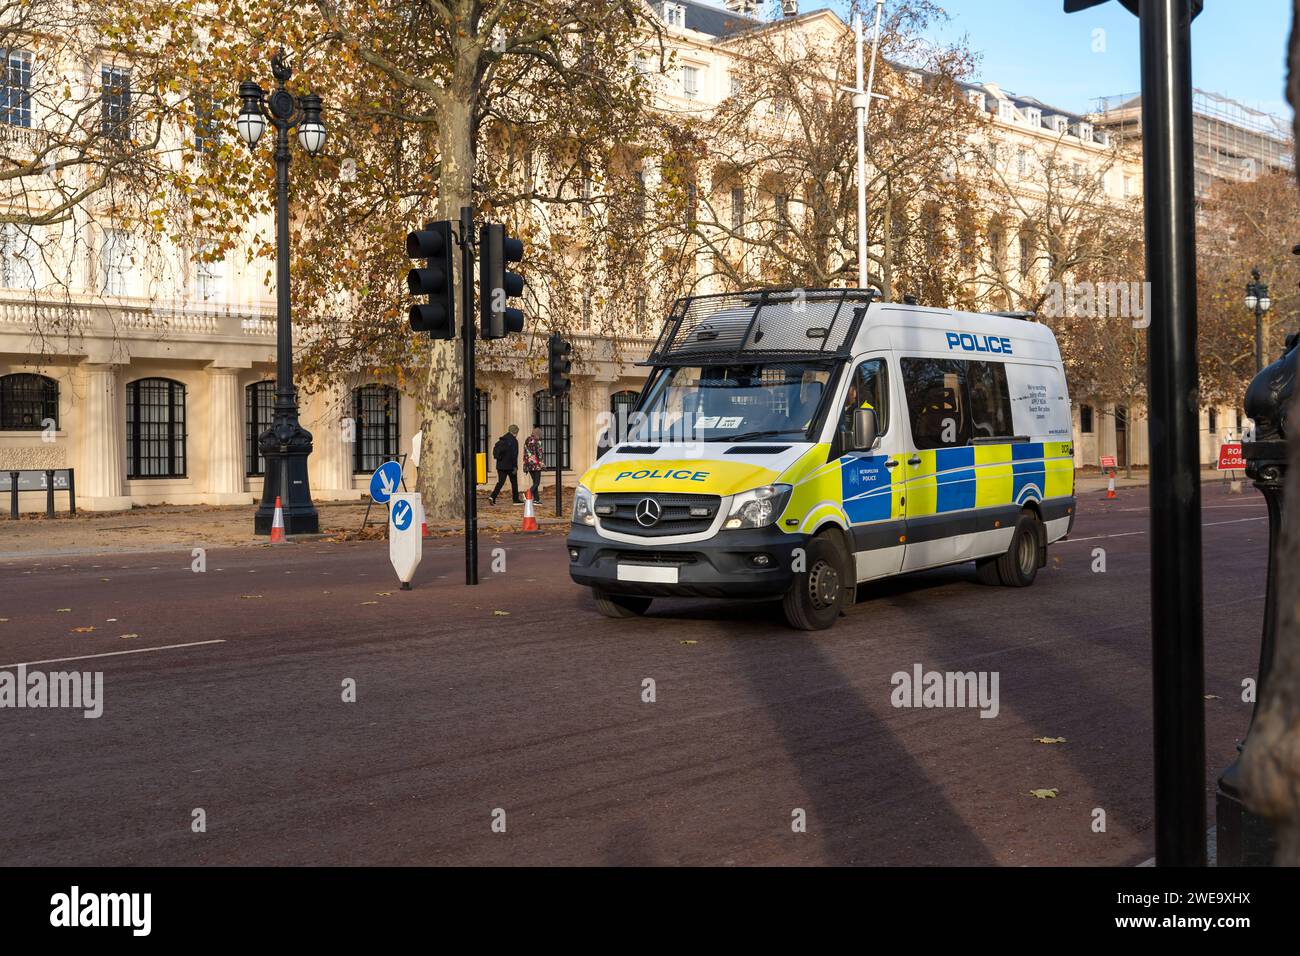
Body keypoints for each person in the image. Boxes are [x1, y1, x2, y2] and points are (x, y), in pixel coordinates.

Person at [488, 424, 521, 505]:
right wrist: (515, 466)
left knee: (500, 482)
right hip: (510, 466)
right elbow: (514, 455)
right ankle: (516, 500)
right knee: (514, 482)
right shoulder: (514, 441)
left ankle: (493, 496)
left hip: (500, 465)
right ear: (515, 432)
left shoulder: (502, 439)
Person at [523, 426, 545, 503]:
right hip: (536, 465)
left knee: (534, 482)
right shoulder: (537, 442)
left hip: (528, 465)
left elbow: (526, 454)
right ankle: (527, 494)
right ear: (538, 434)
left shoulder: (527, 440)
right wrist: (542, 465)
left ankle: (536, 499)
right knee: (537, 482)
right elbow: (540, 455)